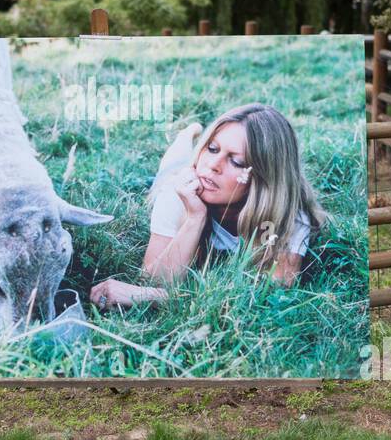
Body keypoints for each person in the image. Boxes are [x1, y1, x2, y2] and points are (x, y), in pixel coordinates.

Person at [89, 103, 326, 309]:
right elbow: (153, 281)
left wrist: (156, 298)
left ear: (266, 177)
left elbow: (270, 295)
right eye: (212, 148)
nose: (213, 164)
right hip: (177, 176)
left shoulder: (289, 218)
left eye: (236, 161)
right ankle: (187, 135)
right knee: (170, 167)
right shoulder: (176, 194)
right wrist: (195, 217)